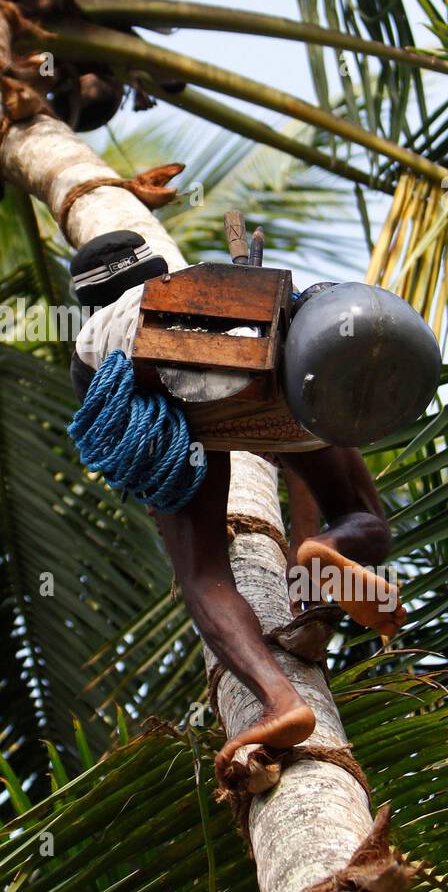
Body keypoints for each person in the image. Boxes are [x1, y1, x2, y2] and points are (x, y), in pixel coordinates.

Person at [68, 230, 431, 779]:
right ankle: (325, 554)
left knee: (205, 575)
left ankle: (281, 701)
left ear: (92, 300)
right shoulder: (215, 283)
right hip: (272, 371)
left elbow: (117, 423)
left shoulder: (95, 334)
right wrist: (304, 580)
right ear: (157, 267)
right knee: (362, 516)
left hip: (186, 411)